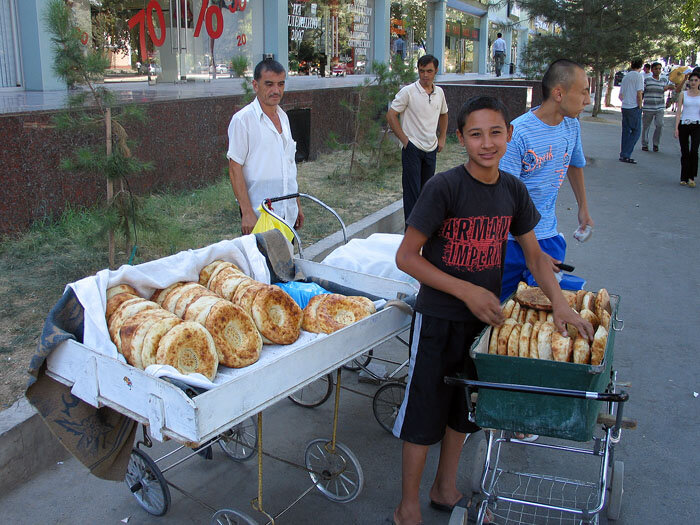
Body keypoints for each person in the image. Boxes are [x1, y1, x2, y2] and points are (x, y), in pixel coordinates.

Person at [390, 95, 594, 525]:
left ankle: (444, 487)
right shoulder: (443, 187)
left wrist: (561, 305)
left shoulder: (512, 190)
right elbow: (407, 257)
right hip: (439, 318)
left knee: (464, 409)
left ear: (510, 135)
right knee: (424, 411)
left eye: (496, 132)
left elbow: (536, 256)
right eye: (476, 134)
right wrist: (466, 291)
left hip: (483, 324)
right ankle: (407, 506)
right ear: (460, 138)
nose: (487, 143)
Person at [499, 59, 593, 302]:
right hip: (509, 242)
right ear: (559, 93)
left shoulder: (572, 126)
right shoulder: (517, 133)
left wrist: (583, 207)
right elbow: (507, 200)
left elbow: (575, 163)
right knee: (503, 311)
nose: (588, 100)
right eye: (583, 92)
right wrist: (533, 253)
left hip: (548, 237)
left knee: (547, 311)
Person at [227, 59, 304, 235]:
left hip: (287, 215)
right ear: (255, 85)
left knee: (287, 262)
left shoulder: (283, 117)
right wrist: (246, 213)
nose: (276, 90)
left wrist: (296, 204)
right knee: (261, 263)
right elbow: (234, 168)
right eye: (269, 84)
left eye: (281, 84)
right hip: (260, 217)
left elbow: (289, 165)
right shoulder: (243, 120)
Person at [387, 55, 448, 224]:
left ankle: (424, 233)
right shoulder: (408, 92)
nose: (425, 75)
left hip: (431, 148)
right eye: (422, 71)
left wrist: (442, 137)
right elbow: (391, 115)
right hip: (412, 149)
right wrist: (405, 141)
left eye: (429, 71)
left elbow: (444, 114)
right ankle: (411, 236)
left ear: (436, 71)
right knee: (412, 194)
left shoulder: (439, 92)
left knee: (427, 193)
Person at [674, 71, 700, 188]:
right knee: (685, 151)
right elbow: (679, 112)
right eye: (691, 80)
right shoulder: (683, 94)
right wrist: (676, 128)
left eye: (696, 80)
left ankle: (691, 177)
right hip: (684, 124)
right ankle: (683, 177)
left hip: (697, 125)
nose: (693, 82)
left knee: (694, 150)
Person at [641, 62, 674, 152]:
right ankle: (645, 144)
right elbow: (642, 92)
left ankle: (656, 144)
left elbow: (673, 86)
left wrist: (669, 87)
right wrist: (640, 104)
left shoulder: (664, 80)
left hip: (659, 107)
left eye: (659, 68)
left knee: (659, 125)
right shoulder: (647, 80)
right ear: (652, 70)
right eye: (656, 69)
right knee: (646, 126)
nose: (658, 70)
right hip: (648, 107)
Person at [618, 58, 645, 163]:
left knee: (626, 131)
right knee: (636, 131)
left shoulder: (626, 77)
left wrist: (625, 101)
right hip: (633, 107)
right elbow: (639, 93)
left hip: (625, 106)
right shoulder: (639, 77)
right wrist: (640, 106)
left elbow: (621, 95)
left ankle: (623, 153)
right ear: (641, 66)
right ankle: (626, 153)